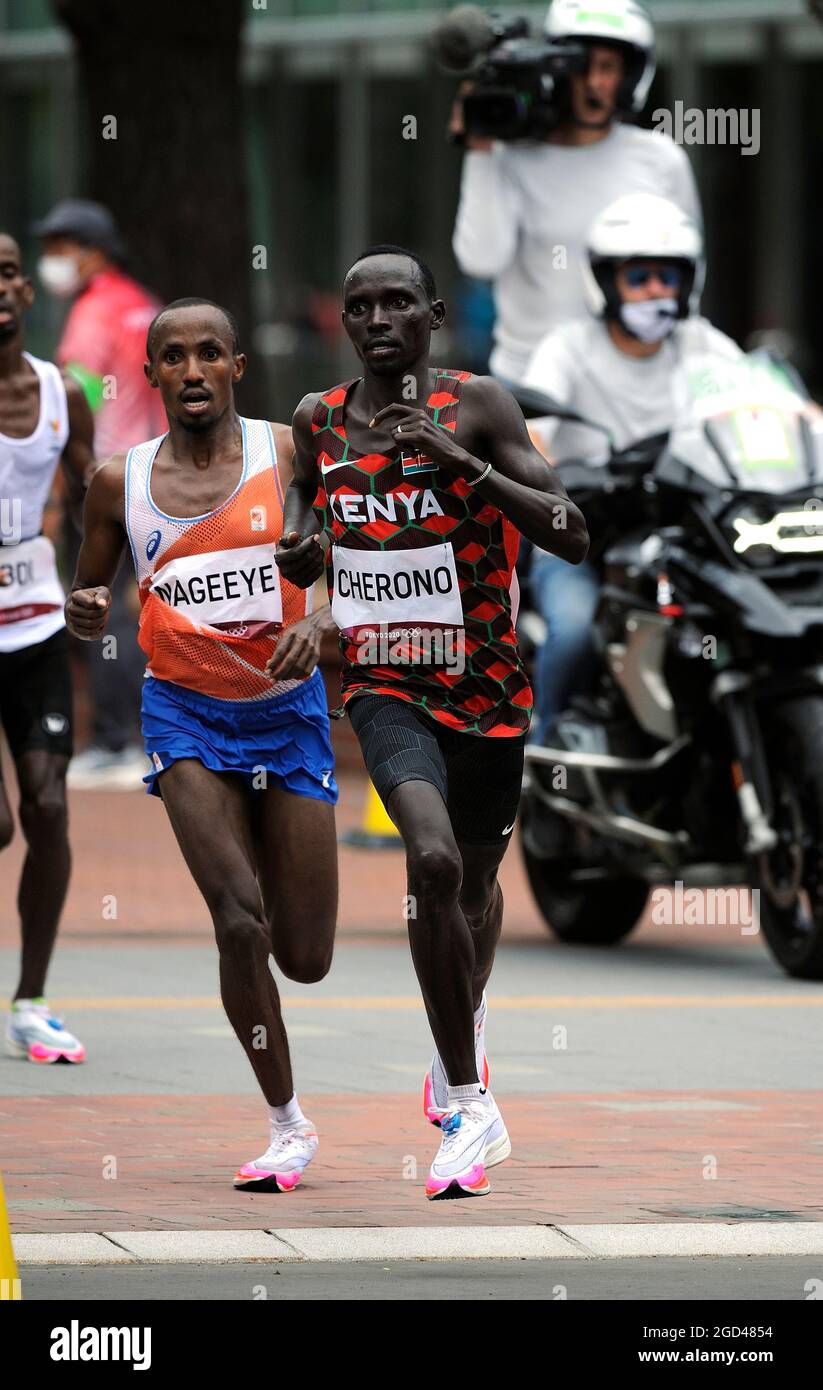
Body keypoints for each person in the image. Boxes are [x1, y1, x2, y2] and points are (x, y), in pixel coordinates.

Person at [277, 246, 588, 1199]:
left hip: (488, 691)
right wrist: (303, 556)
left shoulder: (480, 406)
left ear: (432, 315)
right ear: (346, 321)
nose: (377, 320)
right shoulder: (317, 421)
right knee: (433, 862)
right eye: (361, 306)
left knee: (476, 886)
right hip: (385, 687)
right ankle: (467, 1101)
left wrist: (465, 468)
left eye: (397, 304)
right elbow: (301, 540)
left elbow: (571, 531)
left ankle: (467, 1014)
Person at [65, 298, 339, 1193]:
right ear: (149, 375)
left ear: (235, 368)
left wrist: (324, 613)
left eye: (208, 354)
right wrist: (85, 608)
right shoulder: (120, 480)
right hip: (184, 716)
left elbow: (349, 551)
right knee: (237, 921)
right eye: (173, 356)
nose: (191, 370)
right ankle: (286, 1125)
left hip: (287, 711)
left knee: (304, 955)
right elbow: (89, 585)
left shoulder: (287, 452)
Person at [523, 193, 743, 743]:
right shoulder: (568, 348)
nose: (654, 292)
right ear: (606, 281)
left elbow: (757, 403)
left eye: (667, 278)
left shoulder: (704, 346)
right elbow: (527, 434)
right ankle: (543, 750)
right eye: (639, 276)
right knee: (574, 630)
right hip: (584, 533)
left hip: (683, 530)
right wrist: (550, 476)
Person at [452, 0, 701, 383]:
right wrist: (481, 152)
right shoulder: (511, 157)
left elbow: (688, 276)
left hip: (629, 382)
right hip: (529, 383)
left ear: (631, 75)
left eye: (609, 68)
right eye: (581, 66)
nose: (595, 82)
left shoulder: (660, 160)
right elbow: (481, 260)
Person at [33, 199, 167, 786]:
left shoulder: (94, 310)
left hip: (106, 480)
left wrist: (56, 480)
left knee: (100, 604)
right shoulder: (143, 305)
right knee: (148, 606)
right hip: (161, 476)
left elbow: (74, 391)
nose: (52, 261)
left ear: (92, 253)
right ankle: (150, 739)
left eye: (60, 248)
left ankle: (115, 743)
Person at [0, 232, 94, 1063]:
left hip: (32, 625)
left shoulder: (64, 392)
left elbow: (96, 490)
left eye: (4, 272)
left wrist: (106, 580)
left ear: (26, 291)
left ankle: (31, 998)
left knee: (51, 808)